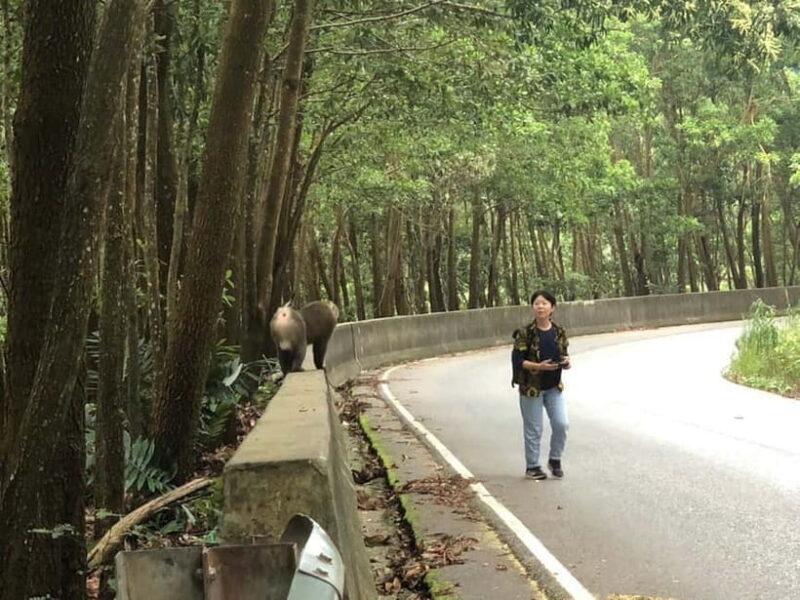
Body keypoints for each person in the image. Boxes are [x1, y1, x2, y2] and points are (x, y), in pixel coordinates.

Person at [511, 290, 571, 480]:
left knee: (562, 424)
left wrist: (567, 363)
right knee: (534, 429)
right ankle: (533, 466)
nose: (540, 307)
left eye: (544, 303)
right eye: (536, 303)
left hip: (554, 387)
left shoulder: (559, 331)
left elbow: (564, 355)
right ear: (532, 307)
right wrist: (539, 366)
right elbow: (518, 362)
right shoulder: (524, 333)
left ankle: (555, 459)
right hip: (531, 388)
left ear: (552, 307)